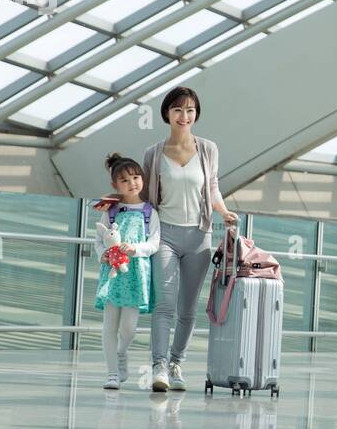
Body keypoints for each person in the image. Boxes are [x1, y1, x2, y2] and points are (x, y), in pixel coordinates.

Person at [139, 86, 237, 392]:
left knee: (188, 308)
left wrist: (223, 211)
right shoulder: (153, 154)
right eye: (178, 110)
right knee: (164, 305)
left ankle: (176, 363)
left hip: (199, 235)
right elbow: (144, 196)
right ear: (167, 113)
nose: (185, 116)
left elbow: (213, 187)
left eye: (190, 110)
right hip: (164, 234)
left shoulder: (208, 149)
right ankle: (158, 367)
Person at [94, 152, 162, 390]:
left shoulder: (149, 212)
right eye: (124, 180)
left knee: (129, 328)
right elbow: (99, 240)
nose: (132, 183)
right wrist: (102, 253)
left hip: (136, 276)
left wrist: (135, 249)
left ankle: (122, 352)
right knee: (109, 325)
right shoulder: (110, 211)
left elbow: (154, 243)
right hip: (112, 275)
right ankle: (112, 372)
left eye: (135, 177)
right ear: (115, 185)